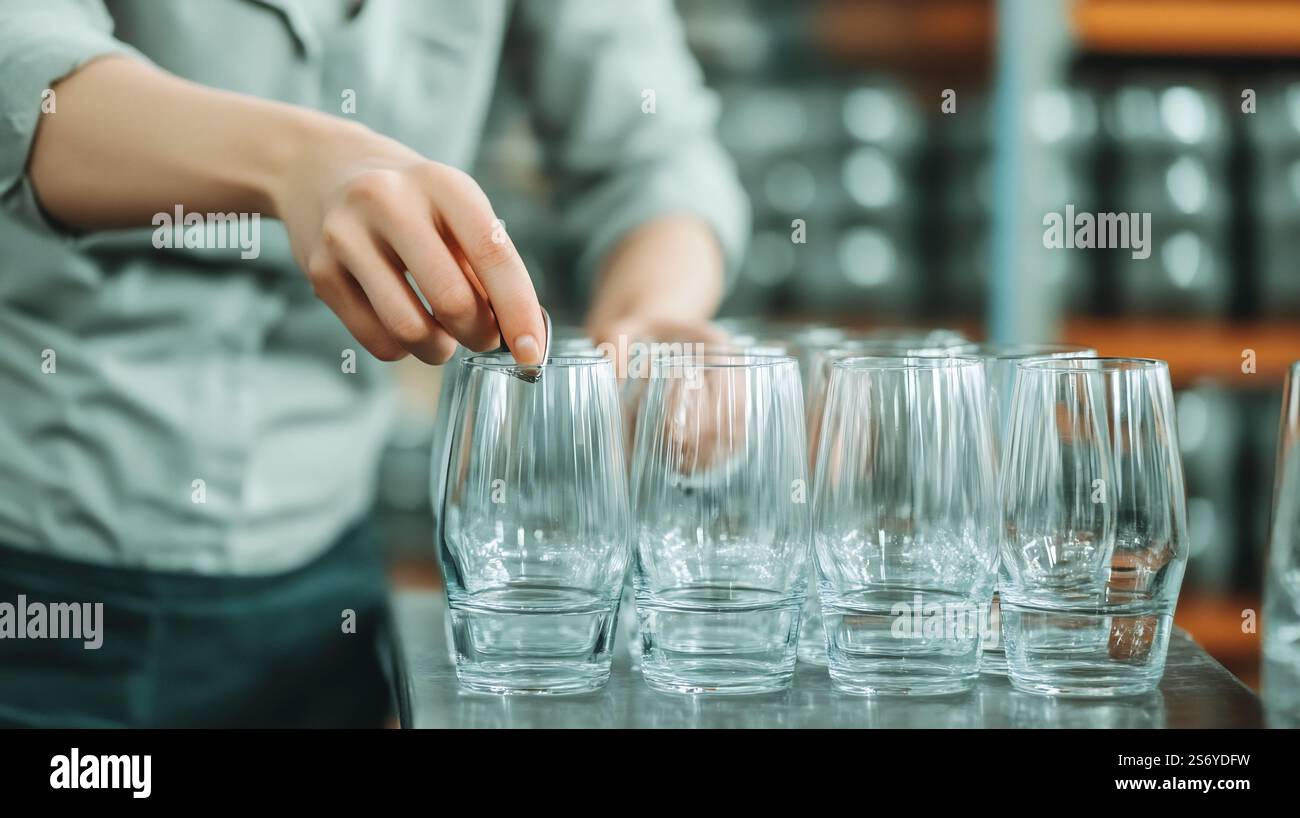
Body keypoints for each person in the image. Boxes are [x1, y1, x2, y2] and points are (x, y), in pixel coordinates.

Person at [0, 0, 748, 726]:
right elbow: (23, 65)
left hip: (330, 590)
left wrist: (651, 313)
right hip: (41, 572)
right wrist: (295, 164)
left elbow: (656, 158)